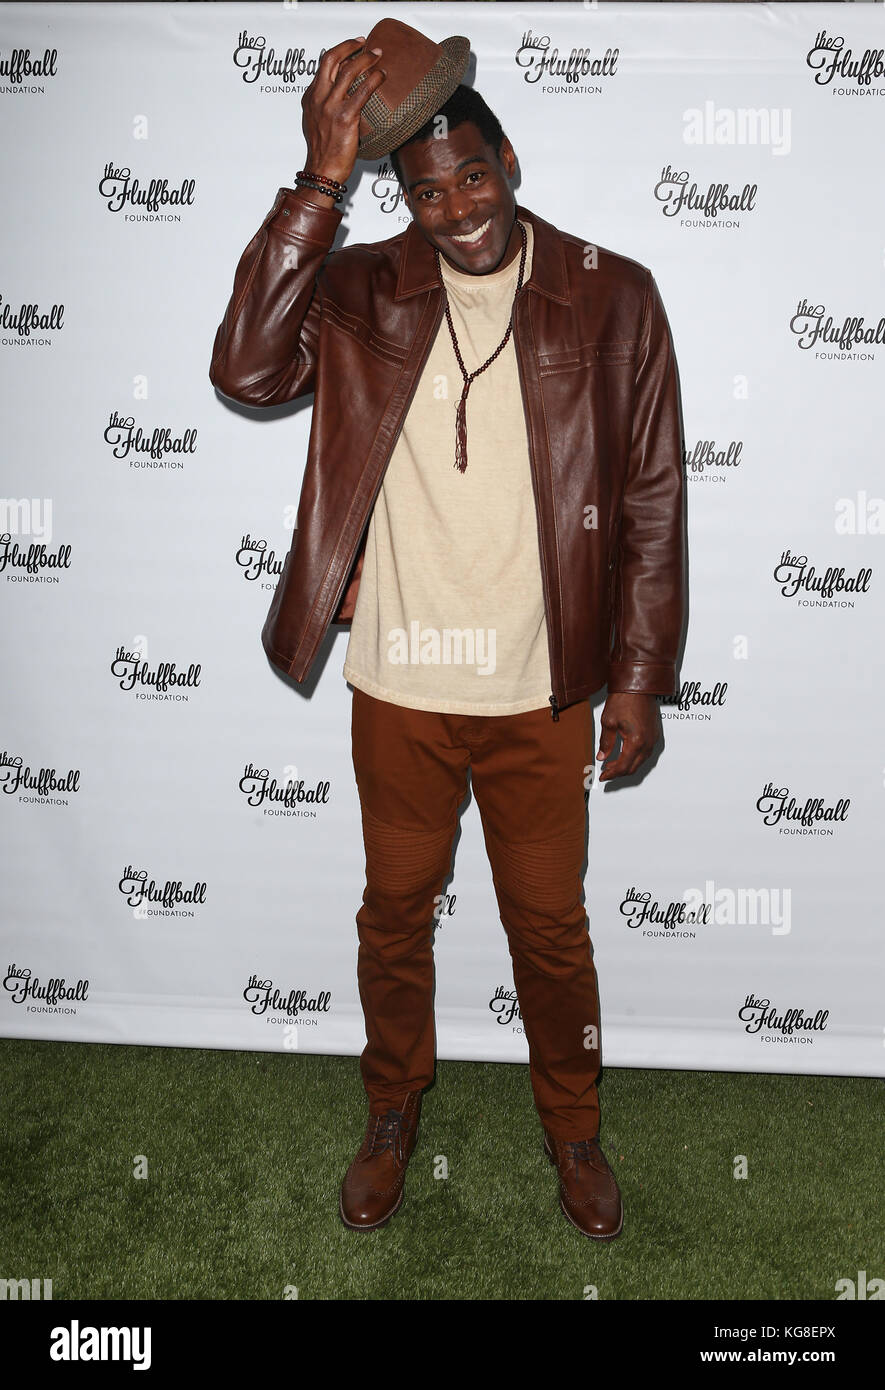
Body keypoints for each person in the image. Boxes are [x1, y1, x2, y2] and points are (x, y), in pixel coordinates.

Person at [210, 37, 686, 1241]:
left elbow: (649, 498)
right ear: (399, 198)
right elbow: (250, 369)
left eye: (472, 178)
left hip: (541, 688)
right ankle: (389, 1109)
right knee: (394, 914)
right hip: (401, 686)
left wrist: (638, 679)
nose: (454, 209)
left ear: (509, 161)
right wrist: (316, 188)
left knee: (551, 930)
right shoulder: (365, 288)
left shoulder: (611, 291)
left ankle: (573, 1130)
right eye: (424, 190)